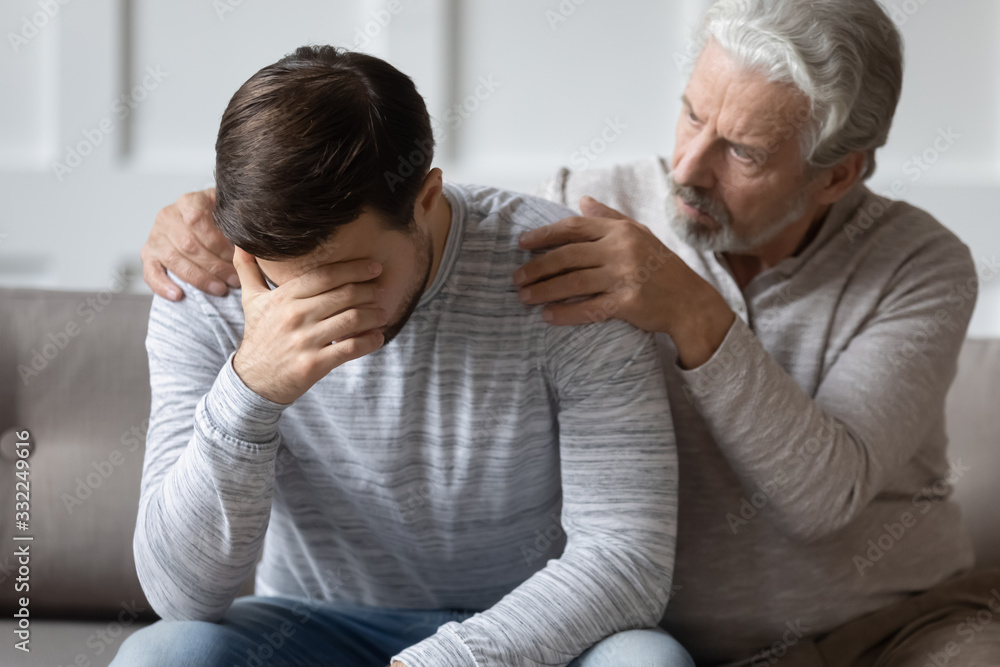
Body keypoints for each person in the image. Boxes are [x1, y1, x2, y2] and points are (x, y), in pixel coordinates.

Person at [140, 1, 1000, 665]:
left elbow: (811, 499)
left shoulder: (914, 266)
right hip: (431, 617)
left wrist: (686, 306)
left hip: (882, 621)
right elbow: (182, 591)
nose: (689, 166)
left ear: (838, 172)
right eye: (690, 113)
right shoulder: (586, 210)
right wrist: (242, 367)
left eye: (741, 149)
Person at [113, 45, 694, 667]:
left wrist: (448, 659)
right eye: (287, 285)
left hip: (527, 629)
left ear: (425, 198)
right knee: (163, 655)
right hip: (310, 628)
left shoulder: (565, 271)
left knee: (645, 662)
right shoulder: (209, 280)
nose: (323, 315)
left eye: (352, 275)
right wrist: (249, 391)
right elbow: (180, 596)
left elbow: (626, 560)